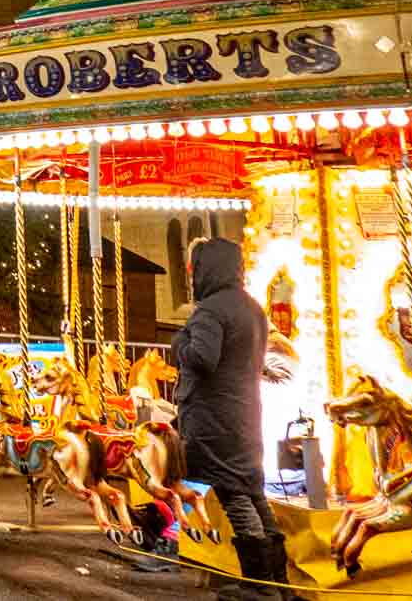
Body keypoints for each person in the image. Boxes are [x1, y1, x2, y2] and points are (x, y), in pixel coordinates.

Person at [173, 236, 287, 598]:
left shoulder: (211, 310)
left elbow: (203, 358)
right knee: (253, 493)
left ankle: (259, 586)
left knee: (235, 496)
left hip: (215, 418)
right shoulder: (253, 308)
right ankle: (278, 581)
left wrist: (180, 344)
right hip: (246, 414)